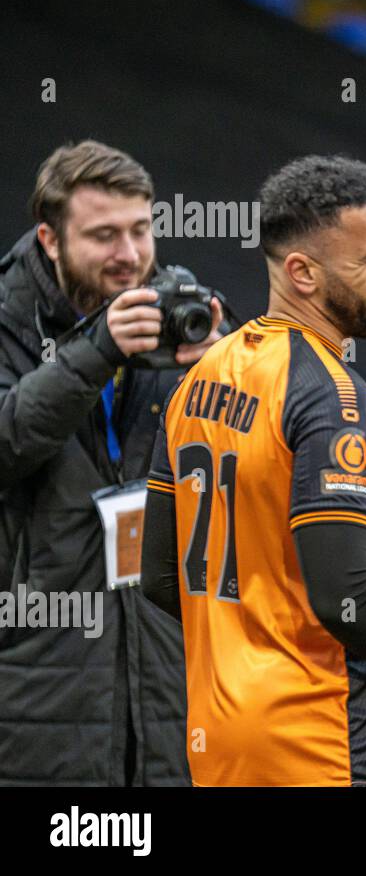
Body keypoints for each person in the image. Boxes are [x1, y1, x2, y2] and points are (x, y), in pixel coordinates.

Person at [141, 155, 366, 786]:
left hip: (223, 738)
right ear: (302, 272)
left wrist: (247, 640)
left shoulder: (198, 378)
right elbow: (345, 597)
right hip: (320, 738)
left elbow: (159, 575)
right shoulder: (334, 400)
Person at [0, 140, 223, 785]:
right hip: (39, 693)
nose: (129, 256)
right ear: (50, 238)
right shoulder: (8, 323)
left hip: (166, 680)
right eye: (103, 236)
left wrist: (225, 357)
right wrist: (97, 350)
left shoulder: (174, 312)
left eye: (140, 230)